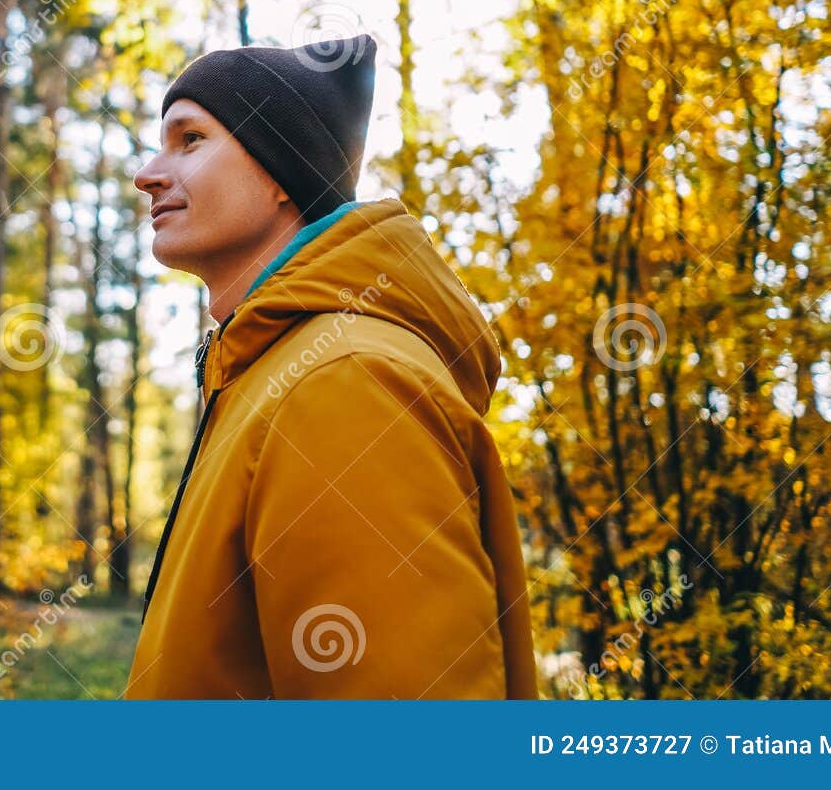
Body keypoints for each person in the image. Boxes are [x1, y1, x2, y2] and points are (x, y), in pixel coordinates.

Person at [124, 34, 537, 699]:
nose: (147, 172)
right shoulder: (265, 372)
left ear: (280, 172)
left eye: (190, 139)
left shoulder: (343, 381)